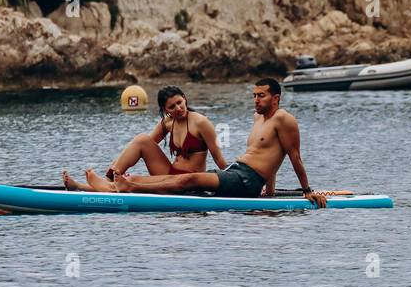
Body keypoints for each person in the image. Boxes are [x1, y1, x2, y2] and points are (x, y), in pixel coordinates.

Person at [78, 79, 328, 207]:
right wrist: (270, 194)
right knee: (177, 176)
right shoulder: (258, 118)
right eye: (253, 96)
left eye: (260, 96)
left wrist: (307, 191)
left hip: (247, 181)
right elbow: (268, 155)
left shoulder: (285, 119)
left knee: (189, 179)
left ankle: (123, 187)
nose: (255, 100)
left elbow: (293, 156)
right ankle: (119, 183)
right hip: (238, 173)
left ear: (276, 98)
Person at [62, 86, 226, 191]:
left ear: (185, 98)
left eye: (180, 102)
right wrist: (114, 167)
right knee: (141, 139)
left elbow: (218, 159)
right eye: (172, 106)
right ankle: (107, 178)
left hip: (189, 181)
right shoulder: (168, 122)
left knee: (132, 181)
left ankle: (83, 187)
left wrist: (236, 182)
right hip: (169, 173)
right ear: (165, 109)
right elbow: (141, 145)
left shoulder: (201, 122)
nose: (178, 108)